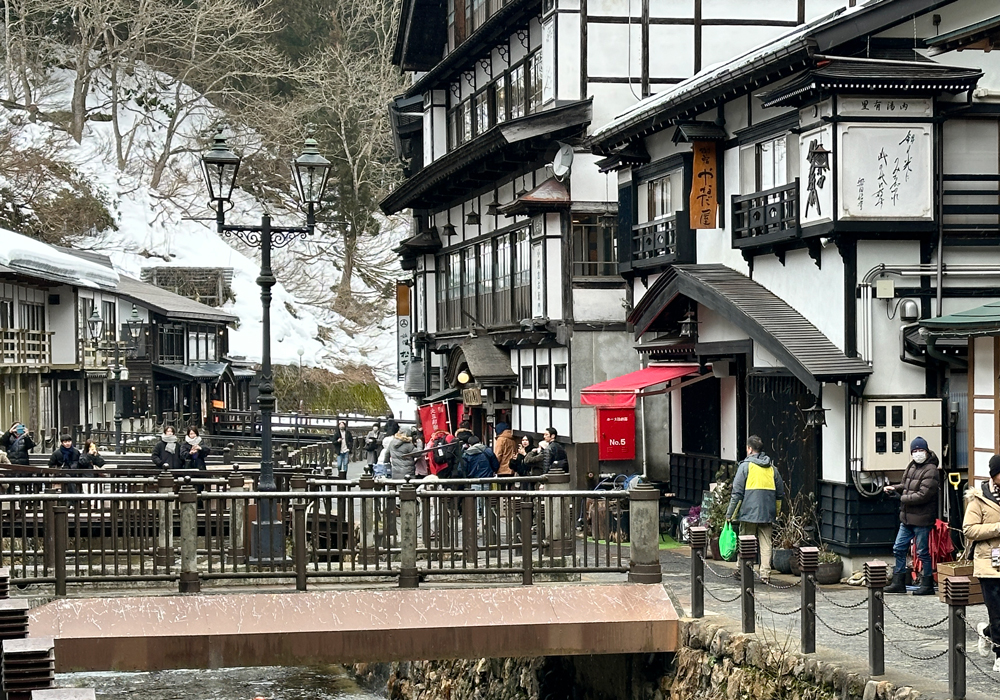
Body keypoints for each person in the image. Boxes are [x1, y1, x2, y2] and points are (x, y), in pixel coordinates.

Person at [884, 436, 940, 595]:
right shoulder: (912, 466)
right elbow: (906, 486)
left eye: (920, 450)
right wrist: (894, 488)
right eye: (914, 451)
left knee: (922, 551)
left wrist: (900, 498)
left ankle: (927, 583)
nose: (917, 453)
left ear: (926, 451)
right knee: (898, 548)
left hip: (922, 518)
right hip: (907, 517)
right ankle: (898, 581)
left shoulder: (931, 470)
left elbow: (923, 495)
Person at [725, 435, 784, 582]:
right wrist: (775, 512)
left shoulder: (745, 466)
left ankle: (742, 570)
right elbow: (780, 494)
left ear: (749, 449)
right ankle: (765, 573)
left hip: (748, 513)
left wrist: (730, 514)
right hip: (767, 512)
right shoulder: (772, 469)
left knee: (746, 541)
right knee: (766, 542)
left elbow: (737, 493)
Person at [964, 456, 1000, 672]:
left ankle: (986, 633)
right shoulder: (978, 499)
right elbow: (969, 529)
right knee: (996, 611)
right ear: (993, 475)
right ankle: (999, 654)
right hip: (989, 563)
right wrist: (997, 528)